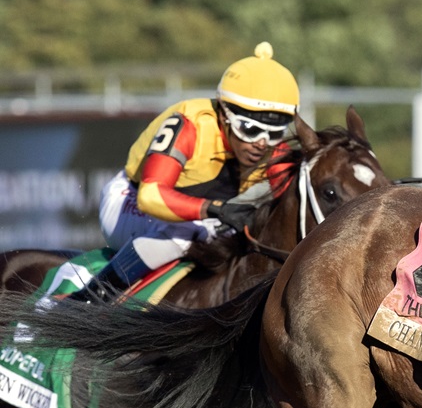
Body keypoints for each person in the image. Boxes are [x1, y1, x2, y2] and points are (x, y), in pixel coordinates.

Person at [76, 42, 299, 301]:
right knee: (190, 233)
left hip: (198, 215)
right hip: (129, 201)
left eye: (274, 133)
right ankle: (89, 300)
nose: (261, 143)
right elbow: (150, 197)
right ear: (225, 114)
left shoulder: (275, 149)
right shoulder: (189, 125)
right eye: (249, 130)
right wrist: (214, 208)